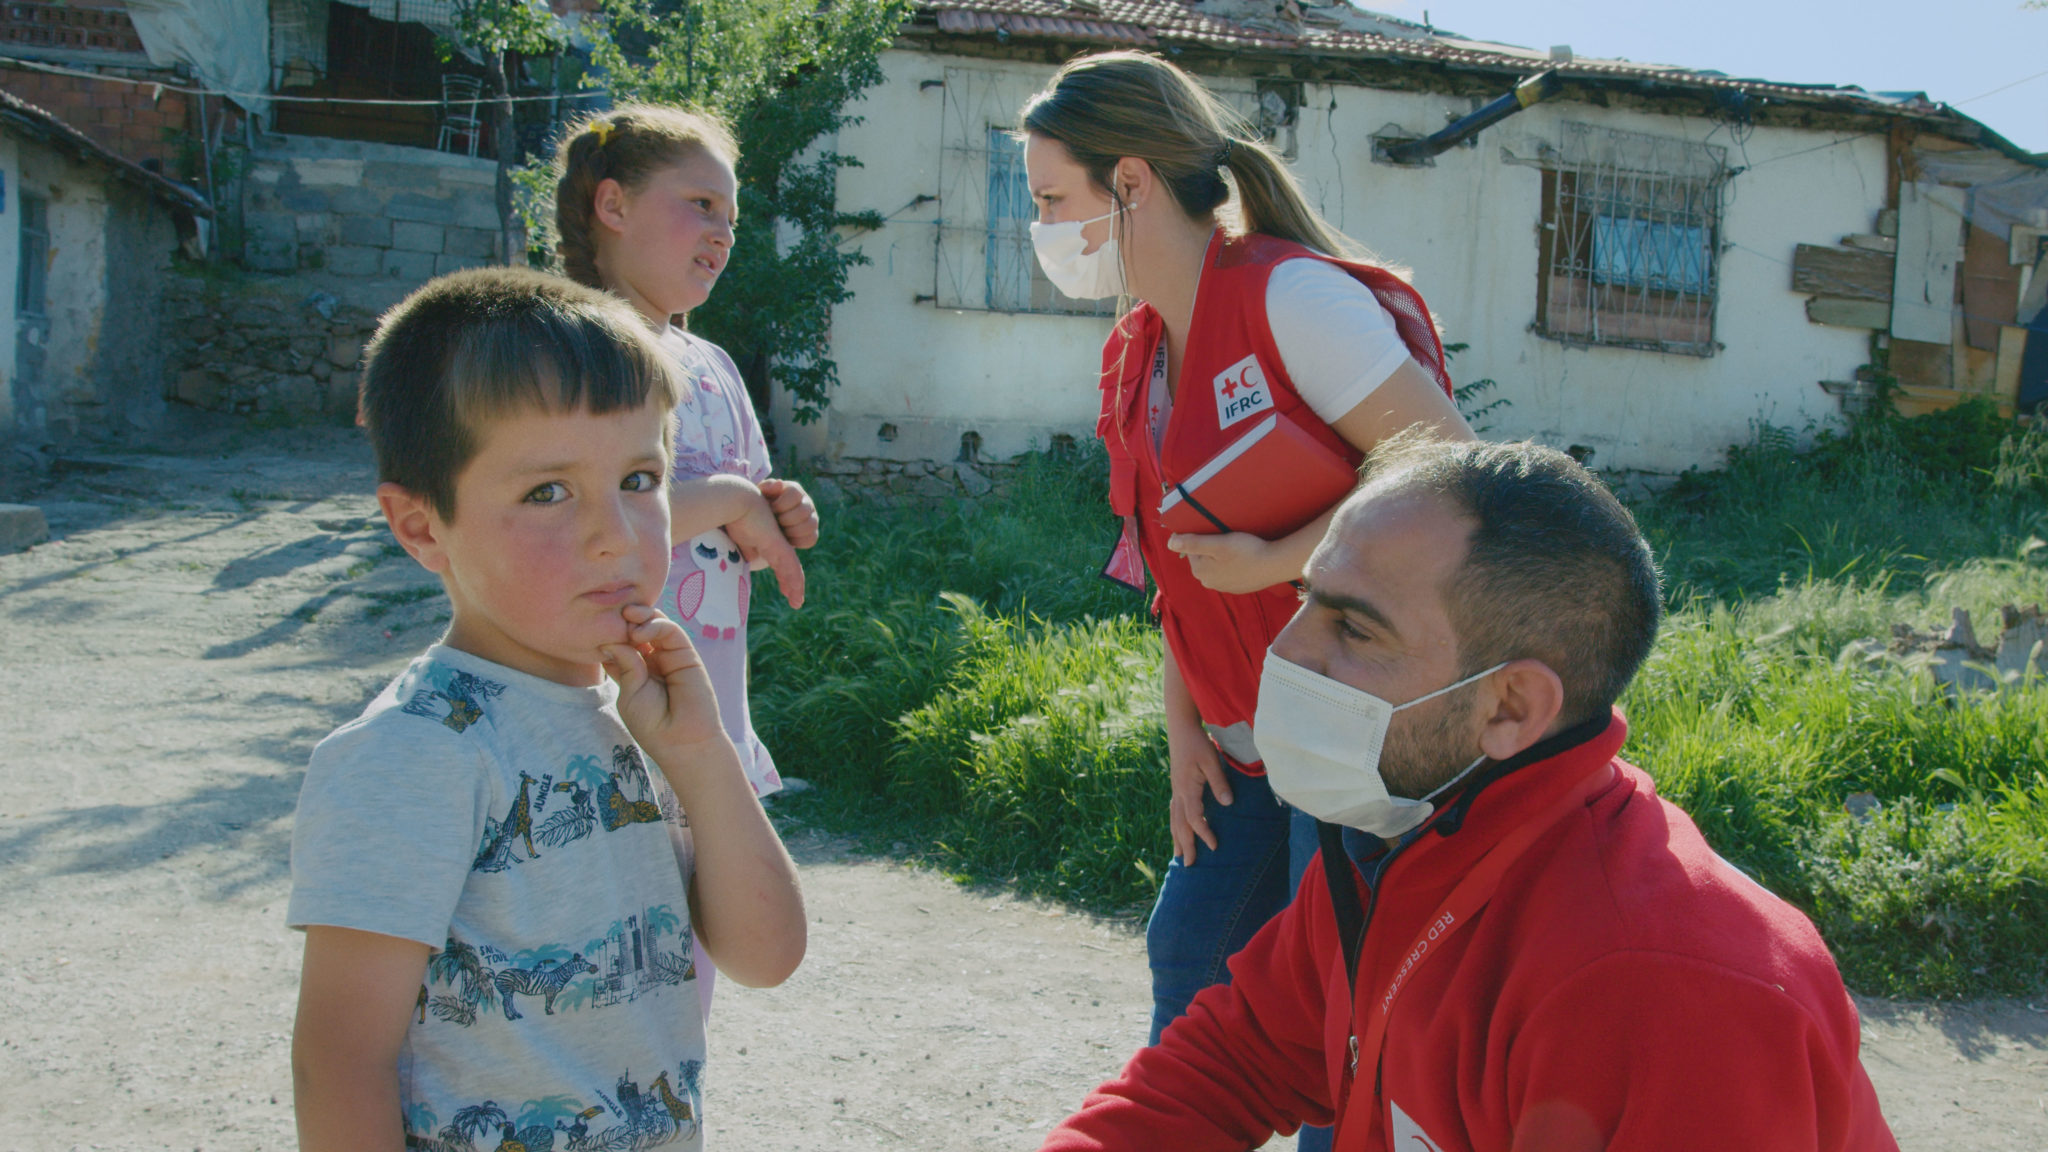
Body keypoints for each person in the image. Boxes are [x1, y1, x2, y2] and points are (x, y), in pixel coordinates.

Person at [1040, 435, 1898, 1152]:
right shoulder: (1402, 833)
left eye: (1354, 627)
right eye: (1303, 597)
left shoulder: (1666, 994)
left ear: (1511, 708)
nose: (1288, 651)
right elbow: (1232, 1063)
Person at [1019, 48, 1474, 1077]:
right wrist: (1186, 732)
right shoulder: (1133, 351)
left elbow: (1448, 469)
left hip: (1353, 729)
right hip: (1242, 743)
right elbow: (1175, 568)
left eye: (1053, 199)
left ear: (1128, 181)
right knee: (1188, 953)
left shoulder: (1288, 298)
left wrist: (1278, 555)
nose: (1042, 230)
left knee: (1336, 1010)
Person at [289, 268, 806, 1152]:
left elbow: (765, 957)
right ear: (422, 530)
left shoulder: (643, 715)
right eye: (547, 493)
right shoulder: (412, 755)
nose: (616, 533)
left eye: (640, 479)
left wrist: (702, 755)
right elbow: (340, 1061)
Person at [553, 103, 820, 806]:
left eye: (731, 218)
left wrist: (779, 514)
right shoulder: (577, 352)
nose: (723, 234)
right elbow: (592, 522)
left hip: (713, 707)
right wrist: (733, 499)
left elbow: (748, 529)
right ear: (612, 204)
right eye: (702, 205)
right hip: (617, 715)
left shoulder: (715, 364)